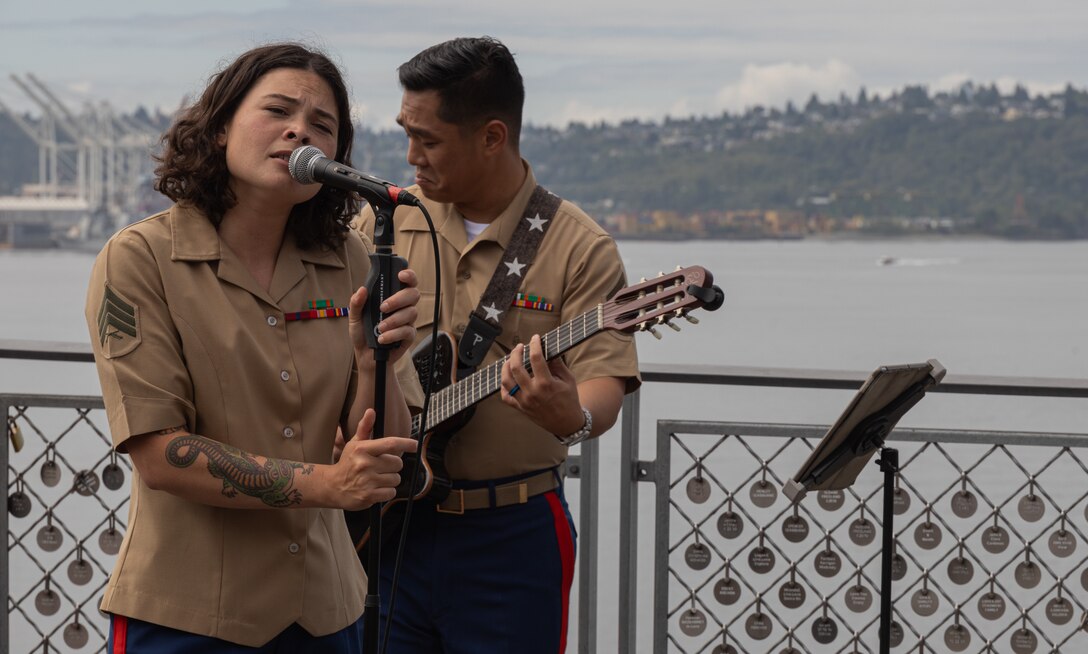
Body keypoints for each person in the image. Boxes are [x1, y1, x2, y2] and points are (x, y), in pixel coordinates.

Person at [84, 42, 424, 652]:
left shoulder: (351, 257)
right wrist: (327, 484)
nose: (300, 130)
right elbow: (161, 454)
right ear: (218, 129)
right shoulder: (141, 259)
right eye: (277, 111)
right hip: (188, 618)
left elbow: (382, 457)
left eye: (324, 125)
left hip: (325, 611)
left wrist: (379, 364)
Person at [353, 36, 640, 652]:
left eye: (427, 140)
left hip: (512, 538)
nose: (410, 157)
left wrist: (575, 416)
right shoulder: (383, 223)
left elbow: (605, 383)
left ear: (491, 136)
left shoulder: (578, 246)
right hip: (386, 527)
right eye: (406, 132)